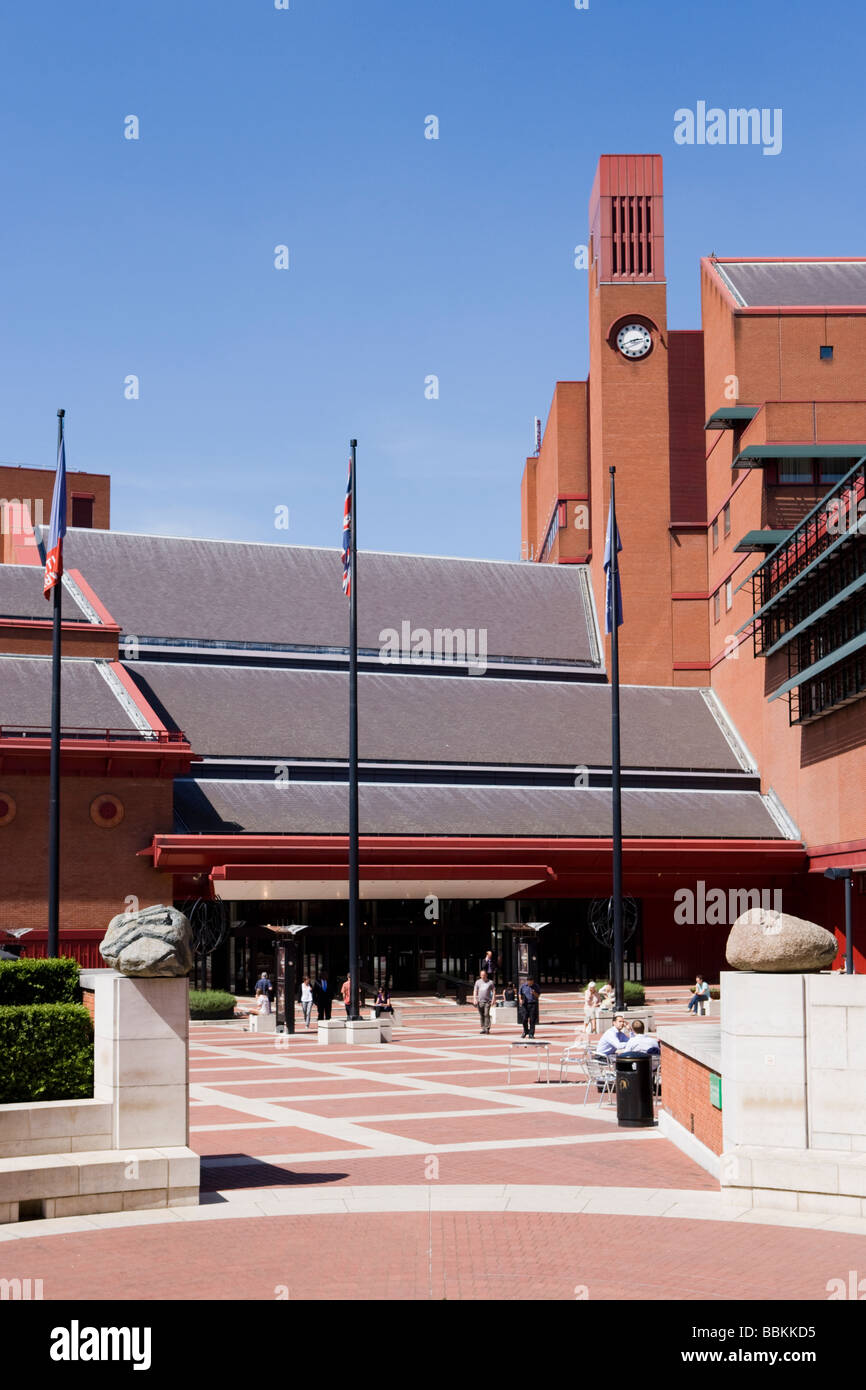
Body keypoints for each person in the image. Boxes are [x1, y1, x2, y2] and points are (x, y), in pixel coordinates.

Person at [473, 970, 495, 1034]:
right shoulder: (478, 982)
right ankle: (483, 1028)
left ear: (486, 975)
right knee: (481, 1015)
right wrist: (475, 999)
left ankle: (487, 1028)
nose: (483, 976)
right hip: (480, 1001)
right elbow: (475, 991)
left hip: (487, 1001)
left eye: (484, 975)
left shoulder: (490, 982)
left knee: (486, 1014)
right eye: (482, 975)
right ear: (480, 975)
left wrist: (493, 999)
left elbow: (493, 991)